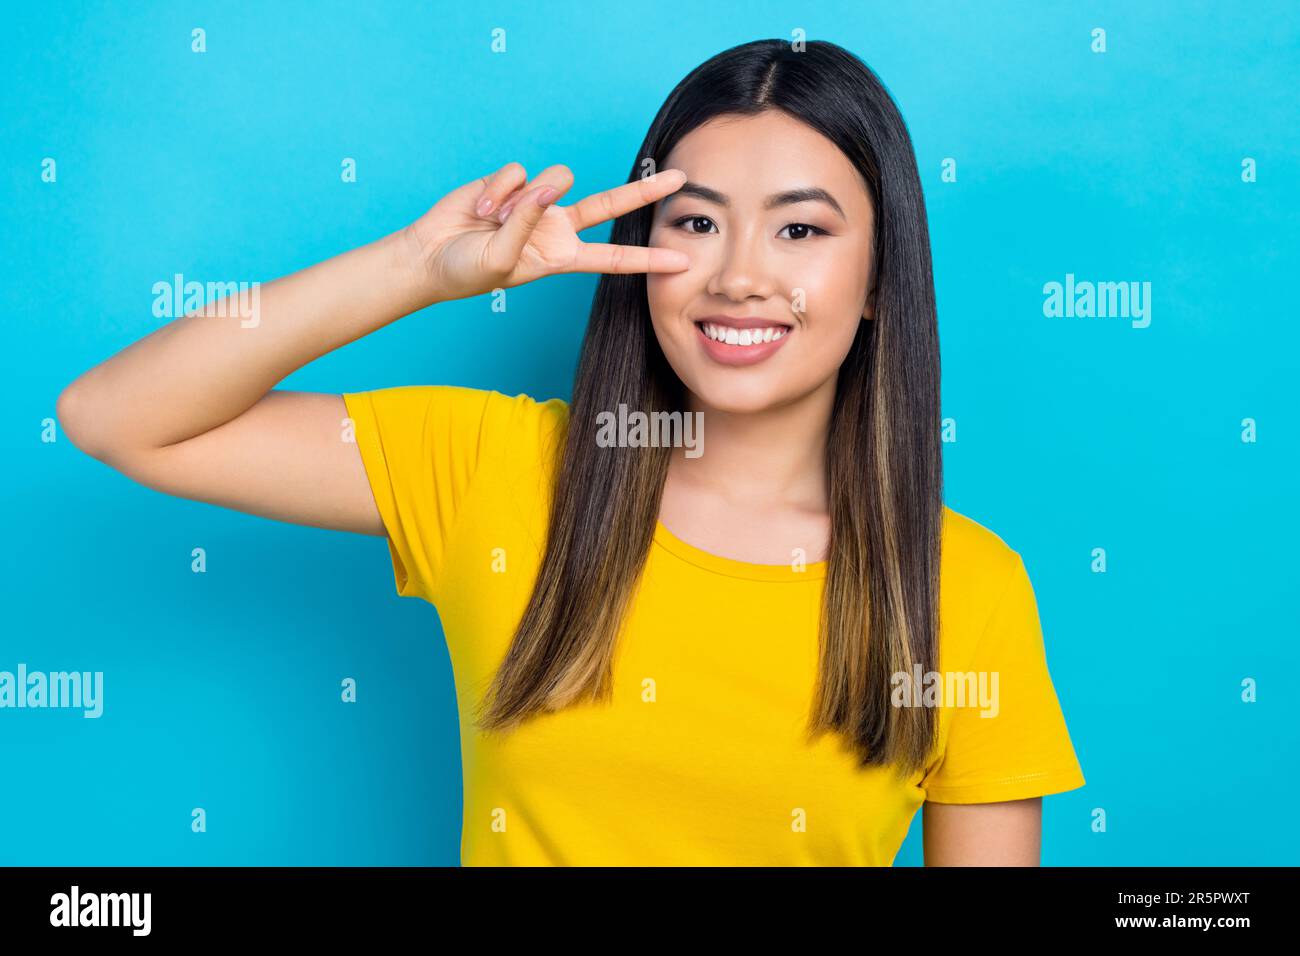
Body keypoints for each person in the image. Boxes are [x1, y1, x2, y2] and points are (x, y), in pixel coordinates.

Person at [57, 38, 1084, 866]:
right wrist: (417, 266)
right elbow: (116, 415)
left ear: (876, 282)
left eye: (800, 232)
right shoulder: (489, 465)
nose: (736, 276)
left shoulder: (963, 587)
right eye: (695, 222)